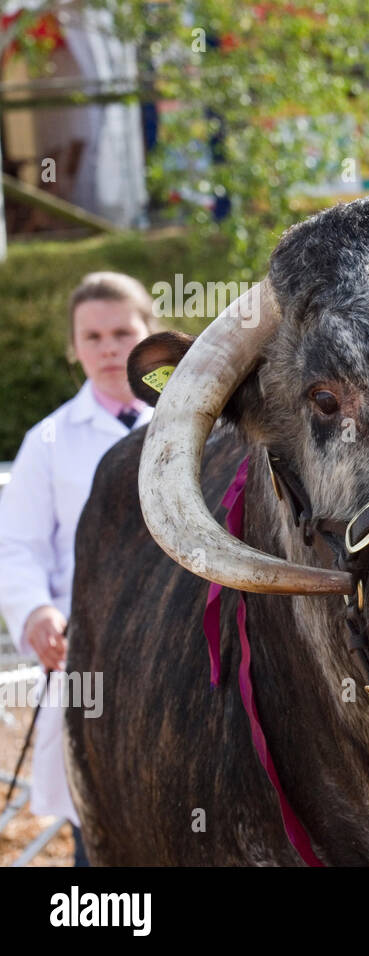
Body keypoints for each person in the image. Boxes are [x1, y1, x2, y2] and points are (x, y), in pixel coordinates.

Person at [0, 272, 156, 865]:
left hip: (195, 651)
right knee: (102, 824)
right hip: (90, 662)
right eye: (92, 336)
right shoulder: (47, 443)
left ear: (151, 337)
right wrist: (35, 611)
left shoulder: (208, 430)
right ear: (74, 346)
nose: (110, 348)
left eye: (122, 331)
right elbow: (16, 544)